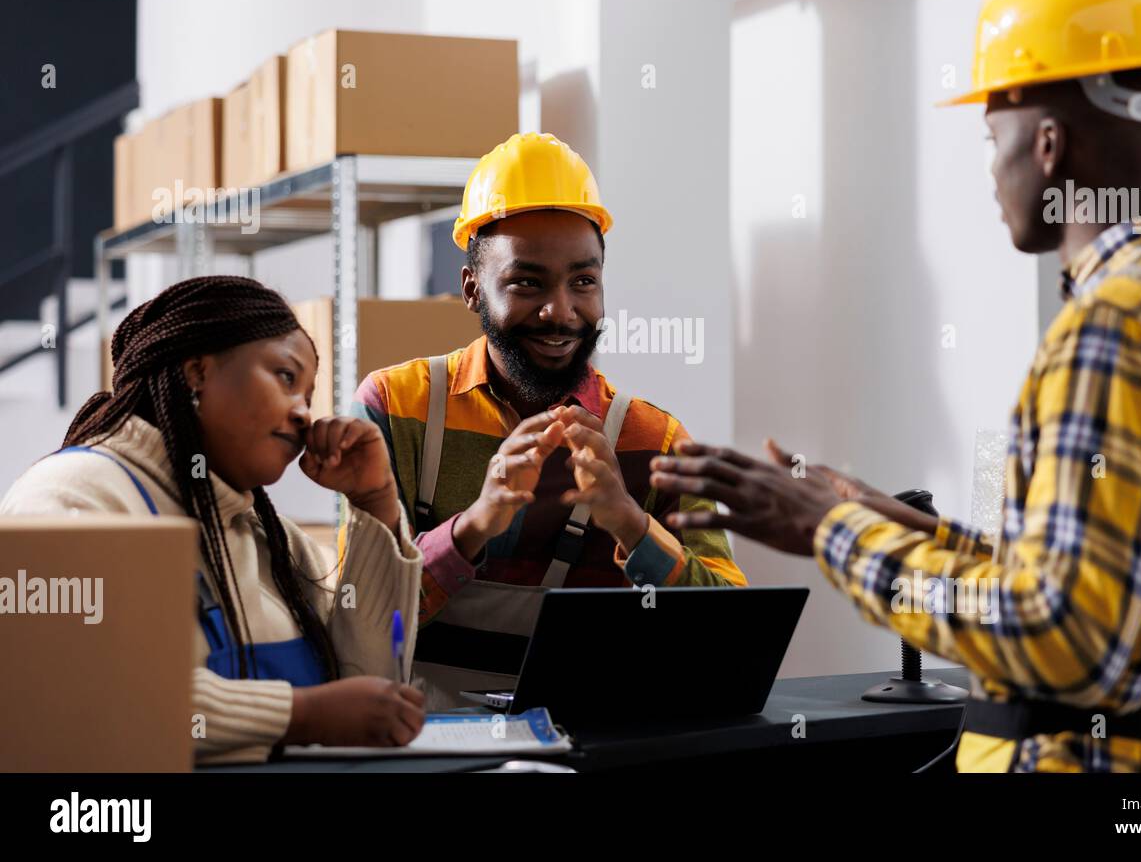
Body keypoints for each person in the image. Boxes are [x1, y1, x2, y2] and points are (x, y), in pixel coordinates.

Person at [648, 0, 1141, 772]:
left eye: (996, 135)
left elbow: (1061, 635)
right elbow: (1123, 586)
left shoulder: (1112, 329)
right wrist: (904, 523)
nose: (994, 168)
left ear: (1050, 141)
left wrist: (827, 530)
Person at [348, 131, 746, 709]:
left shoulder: (652, 439)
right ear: (471, 289)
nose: (560, 311)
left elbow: (730, 632)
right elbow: (354, 617)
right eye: (526, 282)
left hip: (591, 751)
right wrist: (475, 525)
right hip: (422, 748)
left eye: (583, 282)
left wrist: (631, 524)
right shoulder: (395, 405)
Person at [0, 275, 425, 764]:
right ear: (197, 372)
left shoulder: (273, 540)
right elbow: (78, 690)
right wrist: (299, 713)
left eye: (309, 396)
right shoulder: (72, 496)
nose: (305, 414)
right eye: (287, 378)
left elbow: (372, 687)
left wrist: (375, 501)